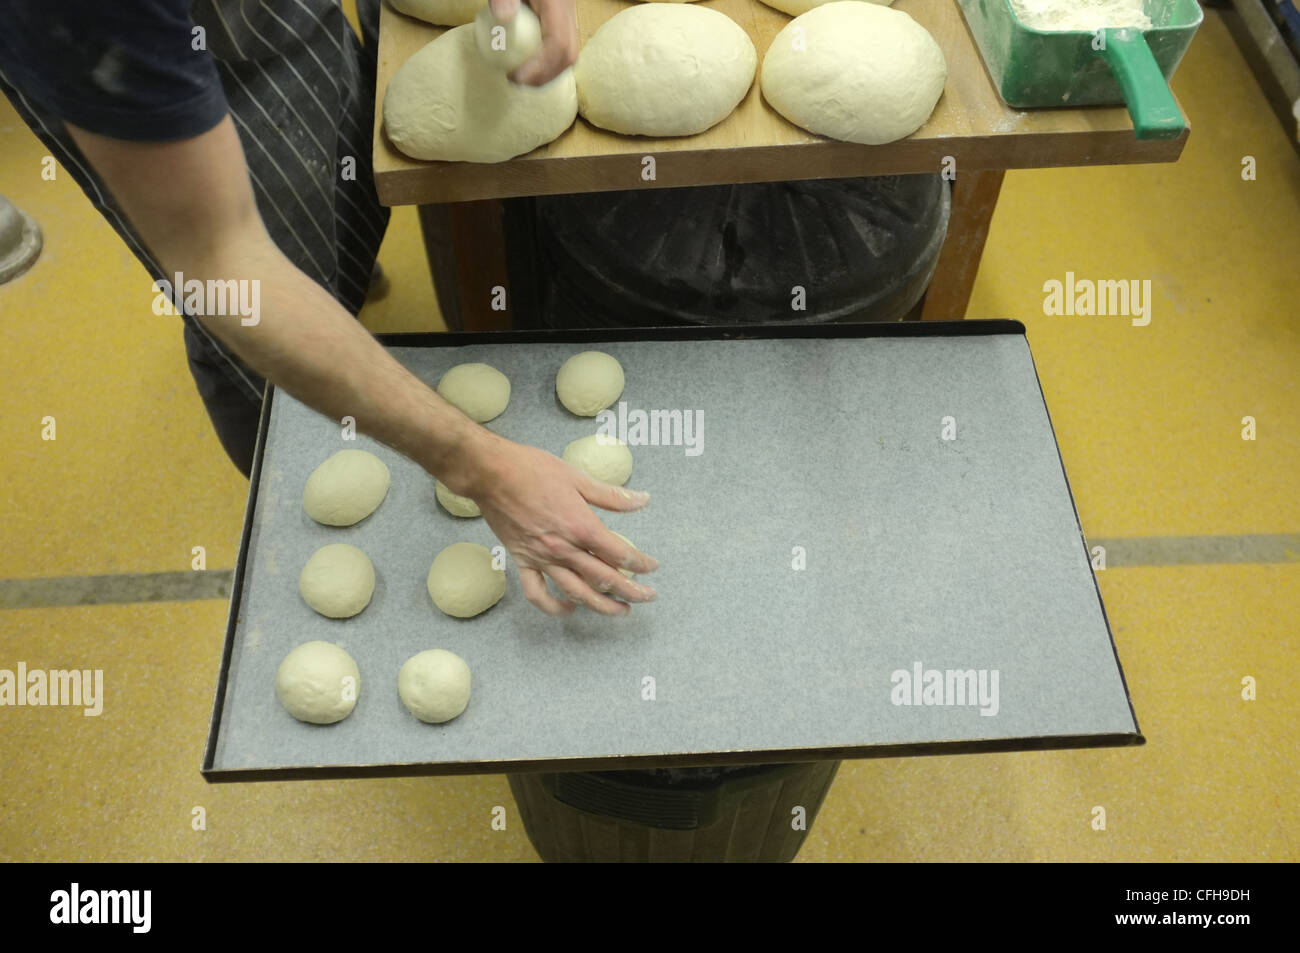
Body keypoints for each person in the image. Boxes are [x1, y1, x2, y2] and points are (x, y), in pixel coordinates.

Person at [0, 0, 657, 616]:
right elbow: (221, 263)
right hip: (173, 74)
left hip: (275, 22)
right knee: (261, 313)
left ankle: (334, 295)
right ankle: (285, 440)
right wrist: (482, 467)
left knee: (341, 186)